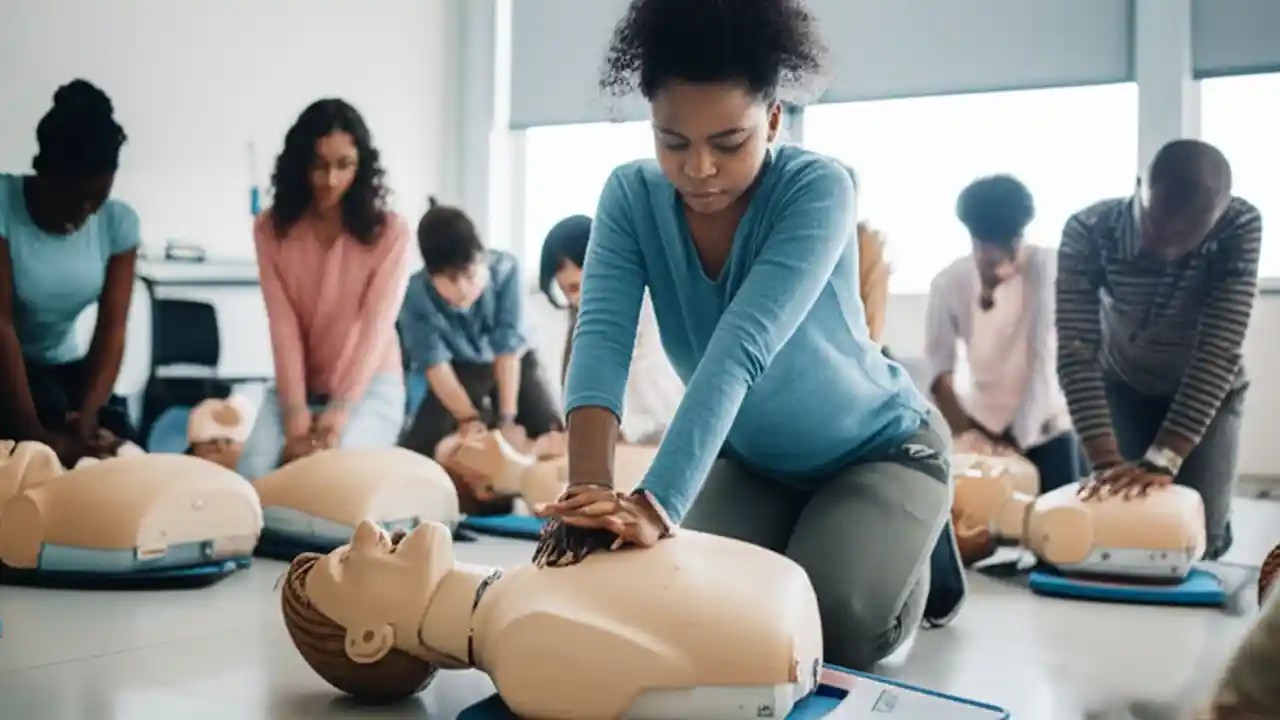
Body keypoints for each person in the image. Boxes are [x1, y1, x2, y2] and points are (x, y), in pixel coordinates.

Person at [531, 0, 967, 670]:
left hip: (878, 449)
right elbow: (601, 339)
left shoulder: (817, 189)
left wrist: (657, 501)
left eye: (728, 143)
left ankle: (921, 543)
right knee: (696, 608)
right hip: (757, 462)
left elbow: (741, 347)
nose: (698, 169)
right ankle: (839, 535)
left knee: (834, 626)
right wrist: (586, 495)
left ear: (771, 120)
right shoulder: (628, 196)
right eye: (673, 142)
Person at [1057, 139, 1261, 560]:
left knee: (1201, 537)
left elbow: (1219, 347)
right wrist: (1104, 459)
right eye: (1157, 223)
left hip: (1206, 389)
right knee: (1114, 520)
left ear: (1218, 215)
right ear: (1138, 188)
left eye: (1188, 232)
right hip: (1123, 384)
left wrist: (1166, 456)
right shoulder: (1089, 229)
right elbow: (1077, 350)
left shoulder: (1239, 225)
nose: (1169, 244)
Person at [237, 99, 411, 482]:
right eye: (319, 165)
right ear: (300, 164)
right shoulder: (270, 229)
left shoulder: (390, 232)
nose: (330, 179)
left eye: (343, 165)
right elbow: (283, 327)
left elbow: (373, 330)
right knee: (252, 480)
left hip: (370, 388)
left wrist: (337, 417)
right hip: (299, 392)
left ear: (361, 165)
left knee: (331, 479)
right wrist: (297, 419)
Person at [0, 79, 140, 468]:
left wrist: (87, 415)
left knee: (118, 435)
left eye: (97, 199)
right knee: (39, 440)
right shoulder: (2, 204)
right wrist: (40, 440)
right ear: (42, 173)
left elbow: (112, 329)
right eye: (72, 197)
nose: (83, 211)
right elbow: (2, 327)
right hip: (7, 368)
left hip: (61, 368)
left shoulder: (118, 223)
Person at [926, 174, 1080, 493]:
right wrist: (971, 436)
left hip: (1046, 430)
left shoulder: (1048, 268)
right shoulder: (948, 282)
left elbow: (1044, 359)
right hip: (978, 431)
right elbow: (939, 374)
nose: (990, 255)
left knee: (1059, 527)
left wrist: (1013, 441)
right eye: (982, 244)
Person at [398, 200, 562, 460]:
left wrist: (507, 419)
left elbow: (508, 349)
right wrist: (469, 417)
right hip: (458, 368)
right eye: (451, 280)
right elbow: (435, 366)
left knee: (548, 428)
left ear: (482, 258)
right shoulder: (416, 295)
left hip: (515, 362)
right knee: (417, 450)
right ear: (431, 275)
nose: (463, 289)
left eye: (470, 275)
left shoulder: (507, 270)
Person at [539, 214, 682, 445]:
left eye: (577, 287)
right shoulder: (576, 320)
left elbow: (655, 401)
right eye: (567, 291)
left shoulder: (648, 308)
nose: (576, 300)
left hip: (654, 441)